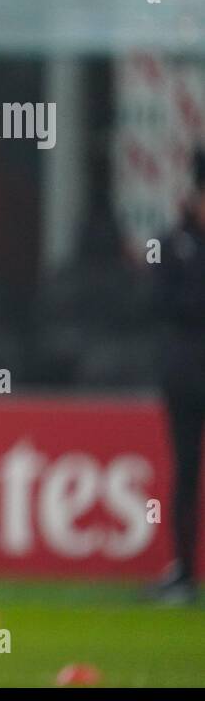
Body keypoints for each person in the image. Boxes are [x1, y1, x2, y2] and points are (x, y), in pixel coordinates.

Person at [146, 149, 205, 604]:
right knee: (185, 470)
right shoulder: (172, 243)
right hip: (186, 374)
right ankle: (183, 568)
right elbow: (157, 303)